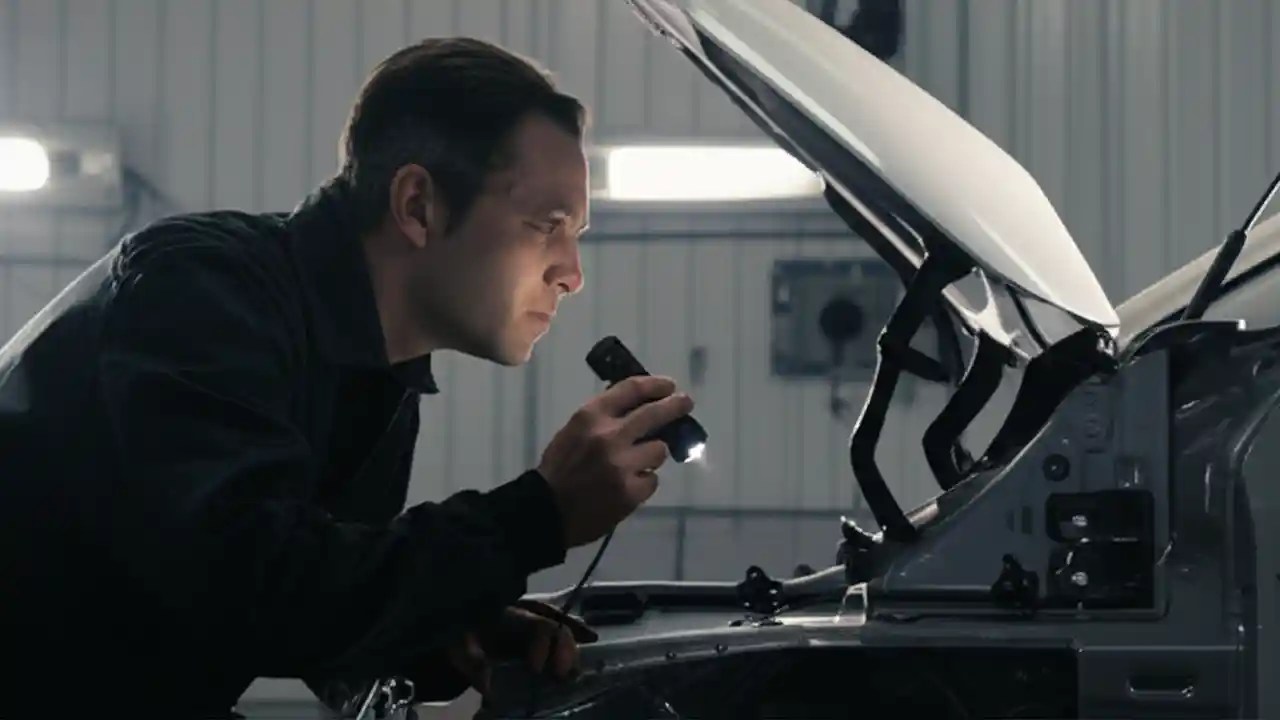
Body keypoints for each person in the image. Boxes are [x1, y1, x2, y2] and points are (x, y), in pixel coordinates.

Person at [0, 37, 694, 718]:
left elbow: (322, 608)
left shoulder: (377, 377)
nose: (572, 273)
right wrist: (538, 513)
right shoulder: (199, 291)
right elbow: (253, 586)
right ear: (418, 205)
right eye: (548, 224)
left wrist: (446, 636)